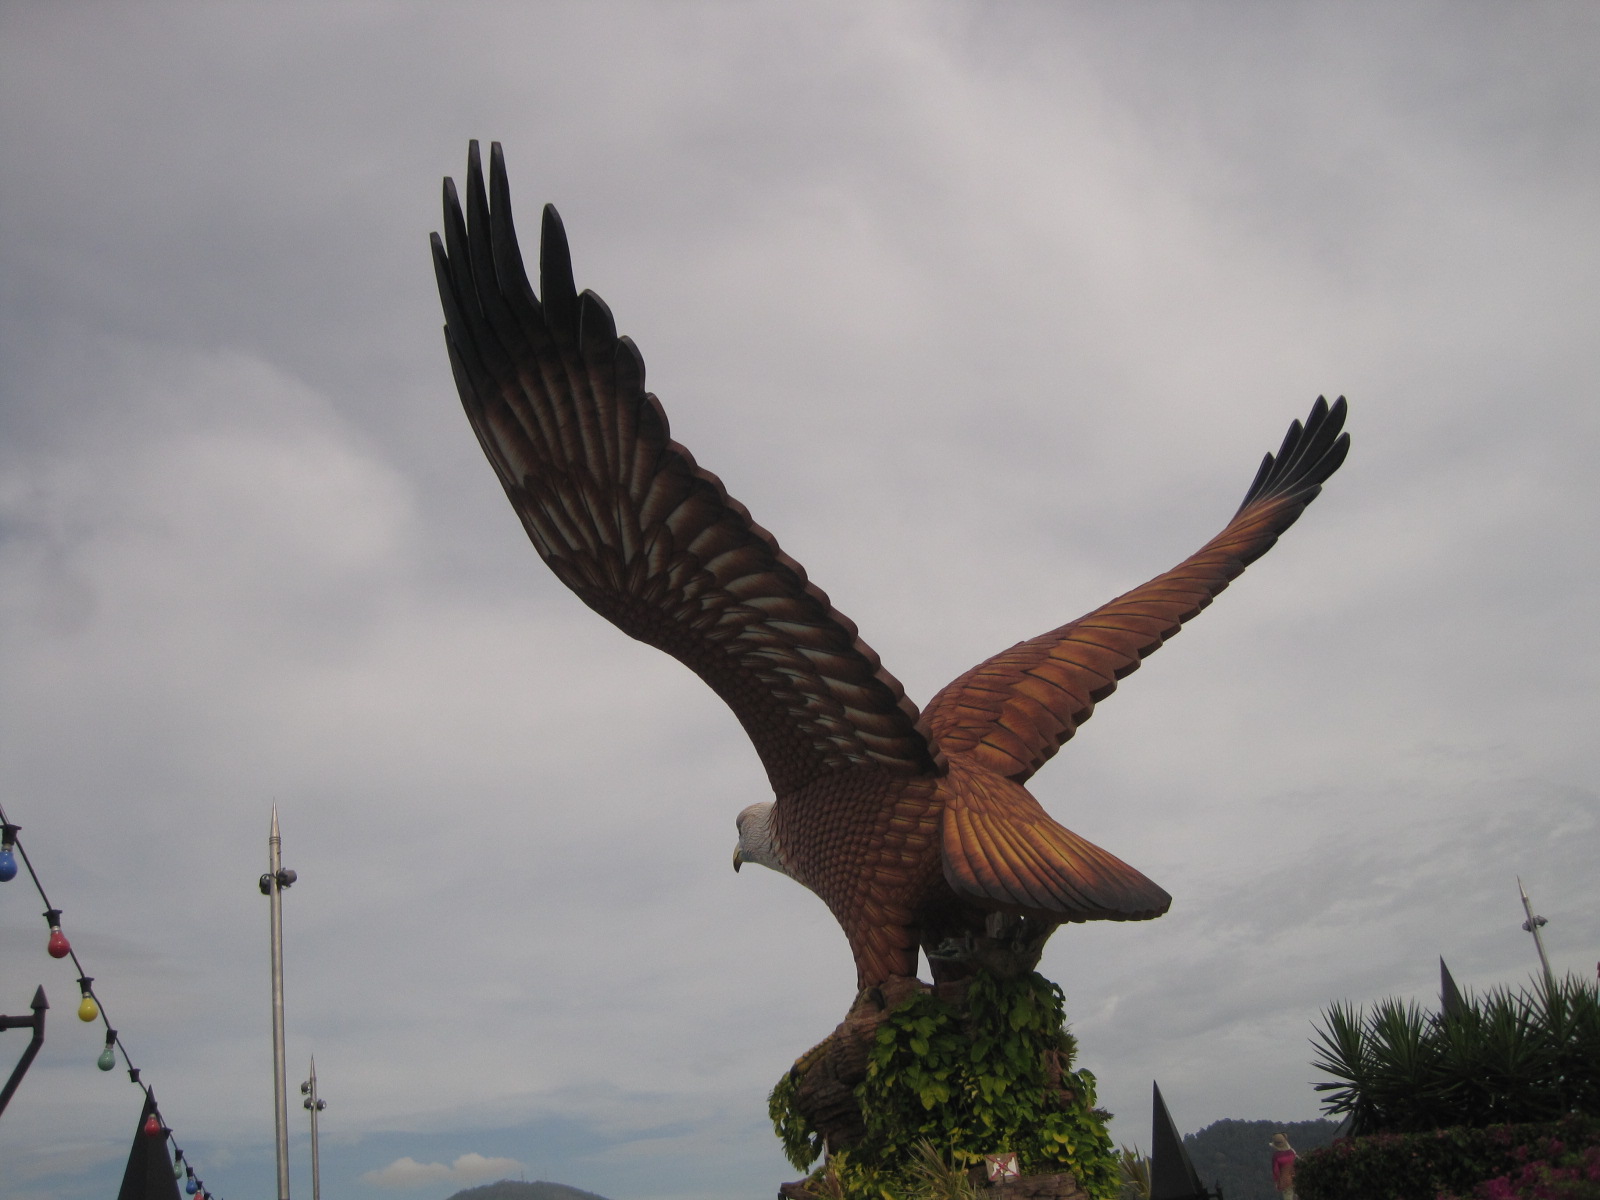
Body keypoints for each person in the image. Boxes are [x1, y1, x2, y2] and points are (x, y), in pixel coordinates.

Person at [1269, 1132, 1297, 1199]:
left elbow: (1276, 1171)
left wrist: (1277, 1182)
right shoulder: (1292, 1153)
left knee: (1288, 1196)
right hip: (1296, 1178)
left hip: (1285, 1181)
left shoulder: (1276, 1156)